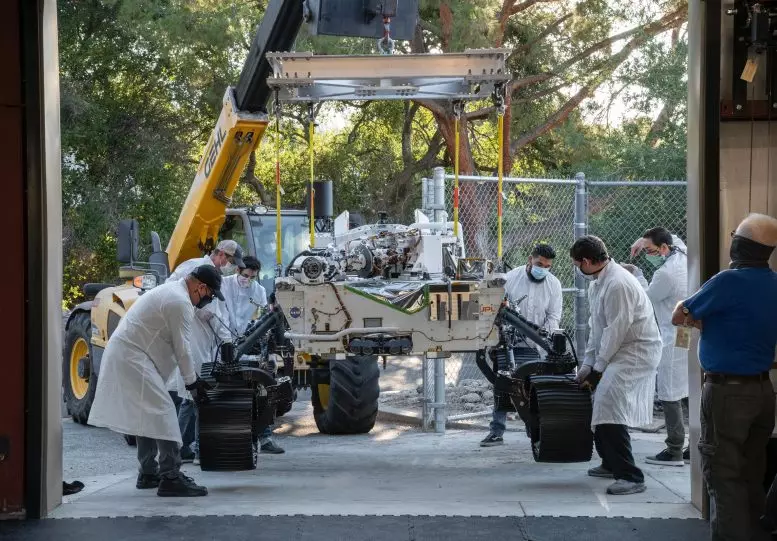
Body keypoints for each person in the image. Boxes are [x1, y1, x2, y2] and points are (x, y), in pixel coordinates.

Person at [672, 213, 777, 541]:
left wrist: (703, 321)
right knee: (751, 472)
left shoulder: (727, 282)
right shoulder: (773, 284)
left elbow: (681, 314)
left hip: (727, 394)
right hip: (764, 392)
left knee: (722, 475)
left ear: (738, 245)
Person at [88, 265, 224, 497]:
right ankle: (170, 476)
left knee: (147, 415)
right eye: (210, 295)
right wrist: (192, 383)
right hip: (132, 357)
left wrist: (192, 381)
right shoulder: (179, 302)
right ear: (201, 287)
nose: (208, 300)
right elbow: (183, 349)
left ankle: (149, 472)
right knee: (163, 412)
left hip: (131, 355)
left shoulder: (173, 293)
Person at [571, 235, 662, 496]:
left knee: (609, 406)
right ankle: (610, 463)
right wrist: (588, 364)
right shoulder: (599, 283)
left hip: (635, 352)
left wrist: (598, 368)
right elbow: (596, 329)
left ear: (587, 261)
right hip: (620, 350)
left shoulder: (618, 284)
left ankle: (631, 475)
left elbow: (616, 331)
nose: (578, 269)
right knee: (601, 403)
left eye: (578, 264)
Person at [166, 239, 244, 464]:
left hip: (204, 340)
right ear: (220, 254)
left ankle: (185, 447)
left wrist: (227, 338)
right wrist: (192, 307)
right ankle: (191, 449)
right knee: (196, 395)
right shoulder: (192, 267)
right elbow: (171, 289)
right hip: (193, 338)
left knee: (193, 395)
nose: (231, 266)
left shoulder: (214, 276)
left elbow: (219, 312)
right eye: (230, 261)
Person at [480, 243, 563, 447]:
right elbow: (494, 311)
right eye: (539, 264)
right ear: (529, 259)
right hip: (508, 342)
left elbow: (553, 316)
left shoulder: (554, 284)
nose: (542, 269)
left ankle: (534, 431)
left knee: (533, 389)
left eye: (547, 266)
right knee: (502, 384)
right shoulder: (509, 279)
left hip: (536, 345)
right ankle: (496, 431)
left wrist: (543, 336)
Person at [622, 227, 689, 466]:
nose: (647, 253)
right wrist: (642, 240)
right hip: (689, 334)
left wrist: (636, 273)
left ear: (663, 248)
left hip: (672, 336)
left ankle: (674, 449)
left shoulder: (666, 274)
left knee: (670, 392)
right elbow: (673, 237)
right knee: (690, 389)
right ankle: (694, 444)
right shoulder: (684, 254)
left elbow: (646, 297)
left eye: (650, 250)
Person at [222, 256, 284, 454]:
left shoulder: (259, 291)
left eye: (252, 276)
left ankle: (264, 438)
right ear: (237, 271)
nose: (247, 279)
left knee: (260, 392)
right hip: (222, 342)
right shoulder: (223, 285)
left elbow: (264, 319)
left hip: (248, 343)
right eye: (245, 275)